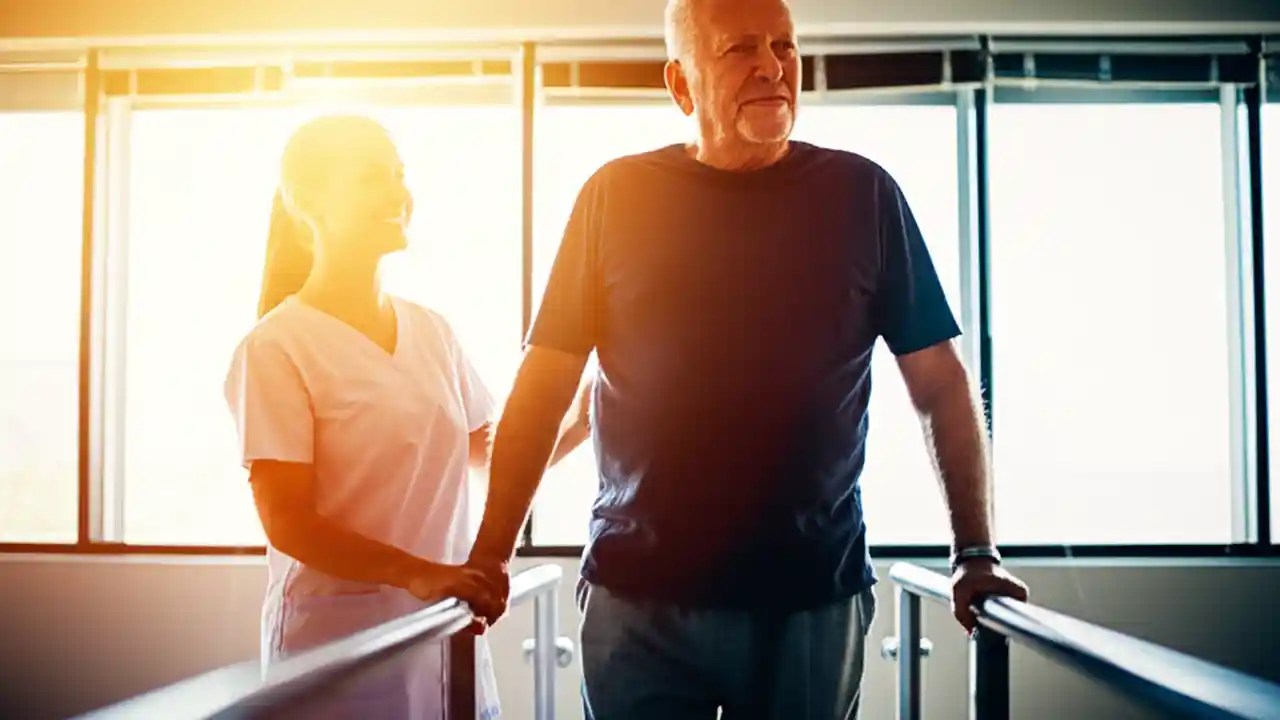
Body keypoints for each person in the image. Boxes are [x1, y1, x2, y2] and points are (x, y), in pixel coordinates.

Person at [467, 0, 1030, 717]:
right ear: (681, 84)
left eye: (783, 47)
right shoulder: (616, 195)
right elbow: (547, 381)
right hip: (638, 598)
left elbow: (940, 384)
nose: (771, 67)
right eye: (739, 50)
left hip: (809, 597)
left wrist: (976, 552)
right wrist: (491, 554)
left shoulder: (863, 195)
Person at [223, 114, 589, 719]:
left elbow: (492, 455)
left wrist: (578, 420)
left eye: (399, 175)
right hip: (338, 648)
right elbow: (286, 519)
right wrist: (416, 572)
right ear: (307, 200)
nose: (398, 192)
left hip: (440, 631)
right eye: (372, 176)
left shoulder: (432, 331)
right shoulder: (275, 347)